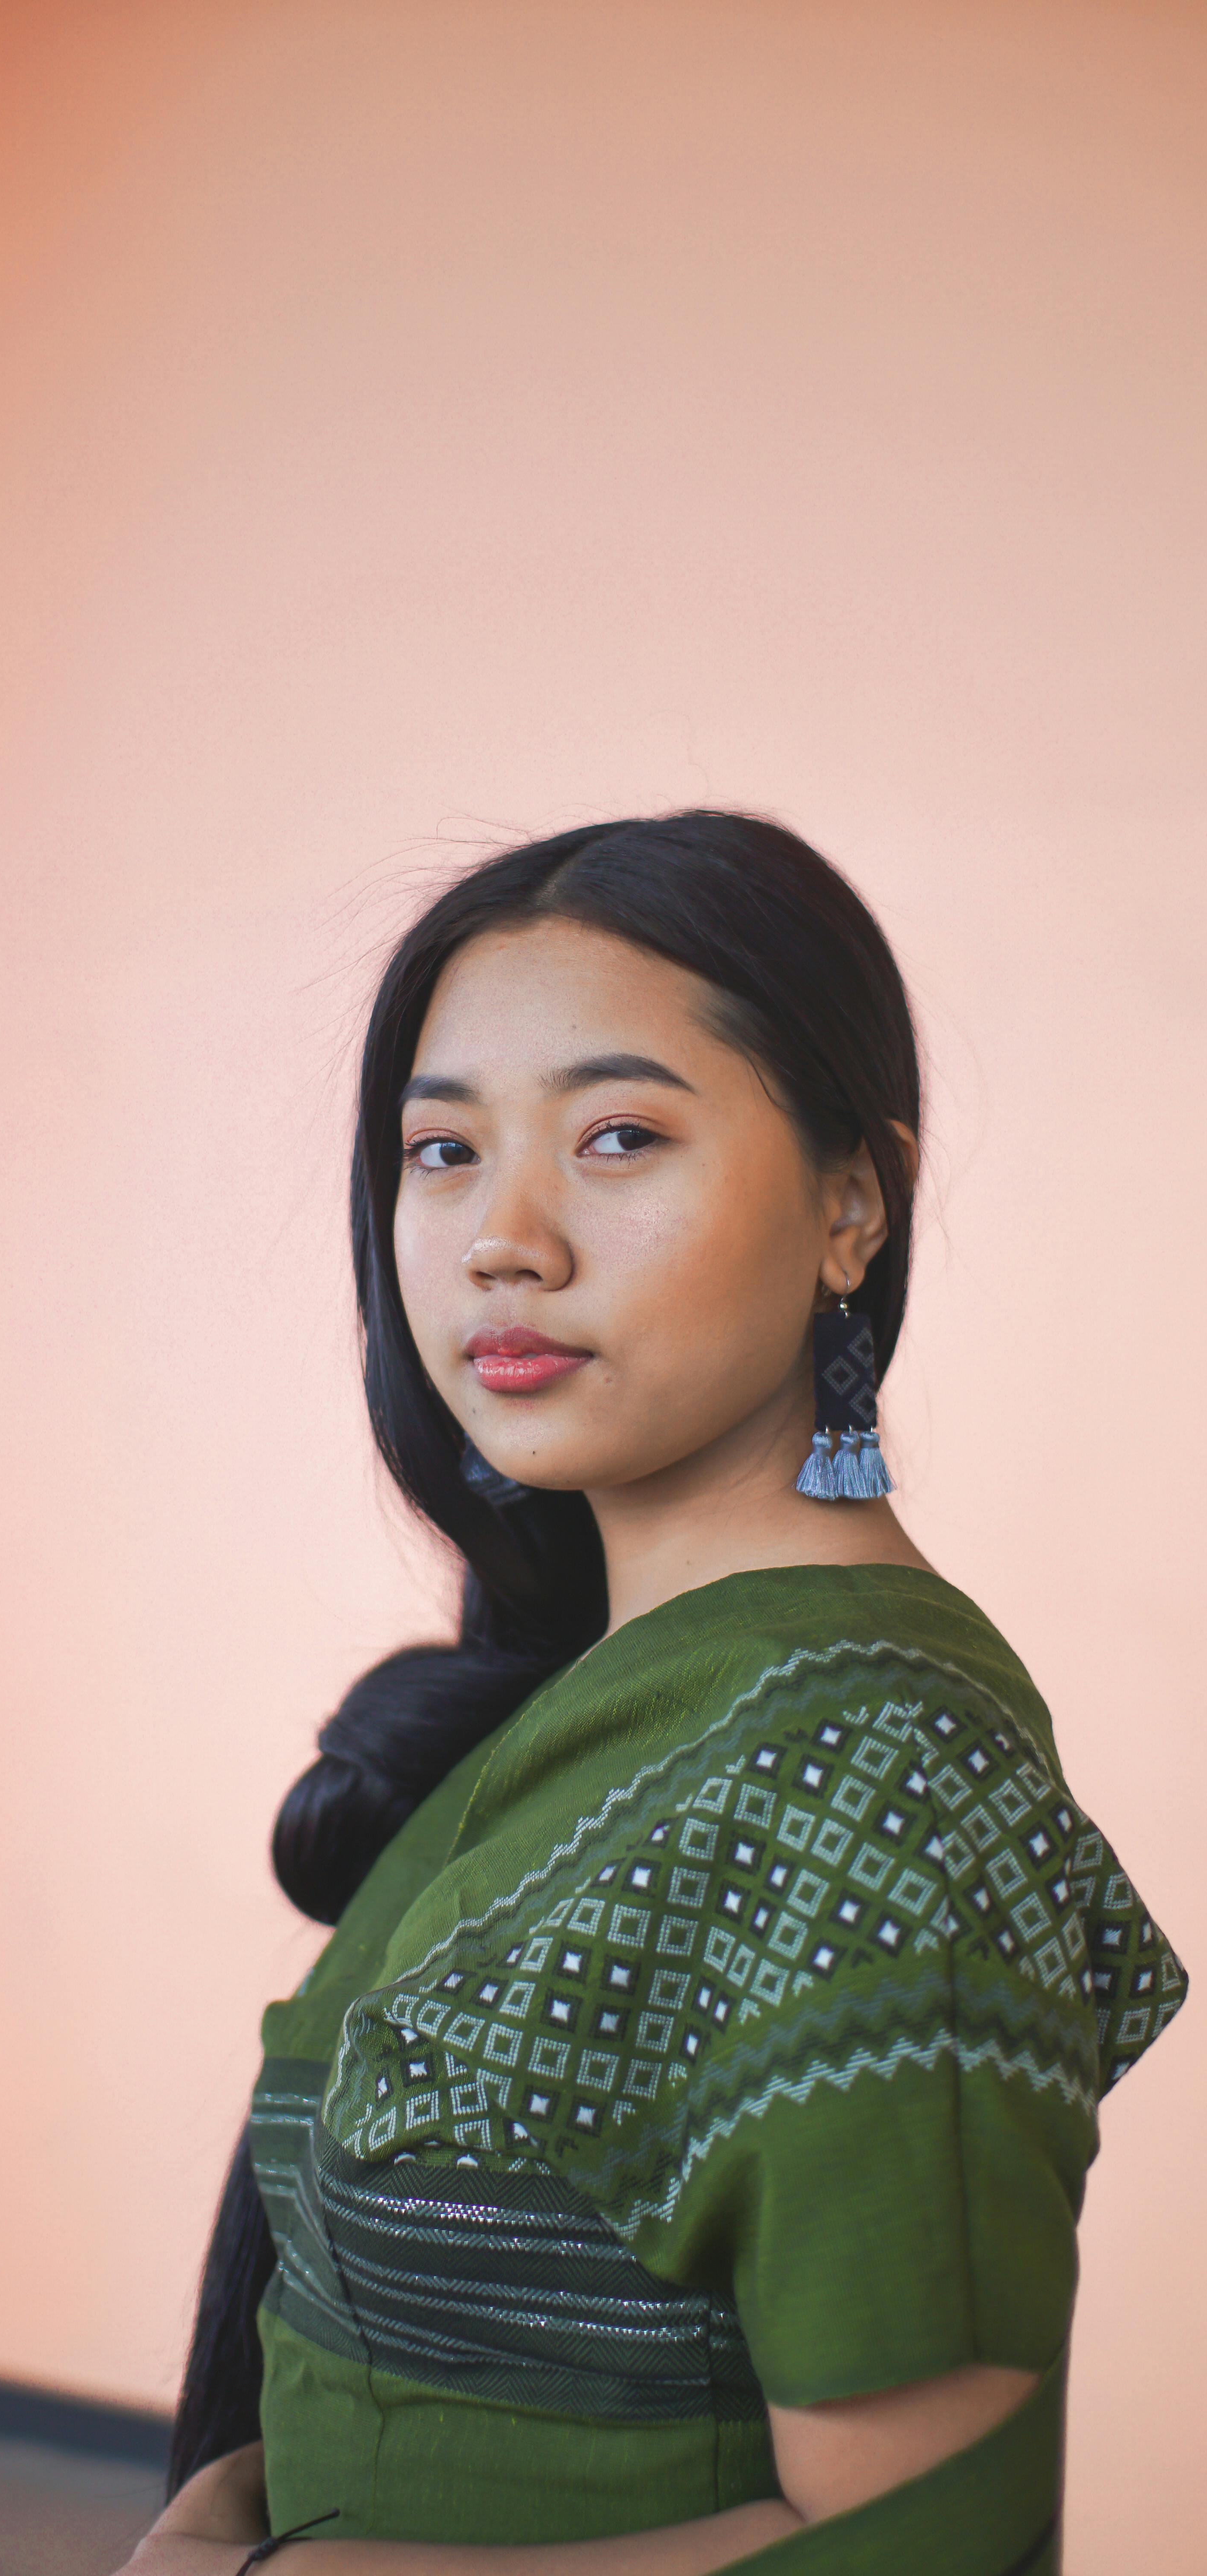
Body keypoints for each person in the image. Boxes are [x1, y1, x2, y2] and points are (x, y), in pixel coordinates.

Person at [124, 814, 1185, 2575]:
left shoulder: (869, 1777)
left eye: (618, 1137)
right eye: (441, 1150)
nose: (501, 1238)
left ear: (853, 1202)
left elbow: (936, 2543)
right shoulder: (624, 1705)